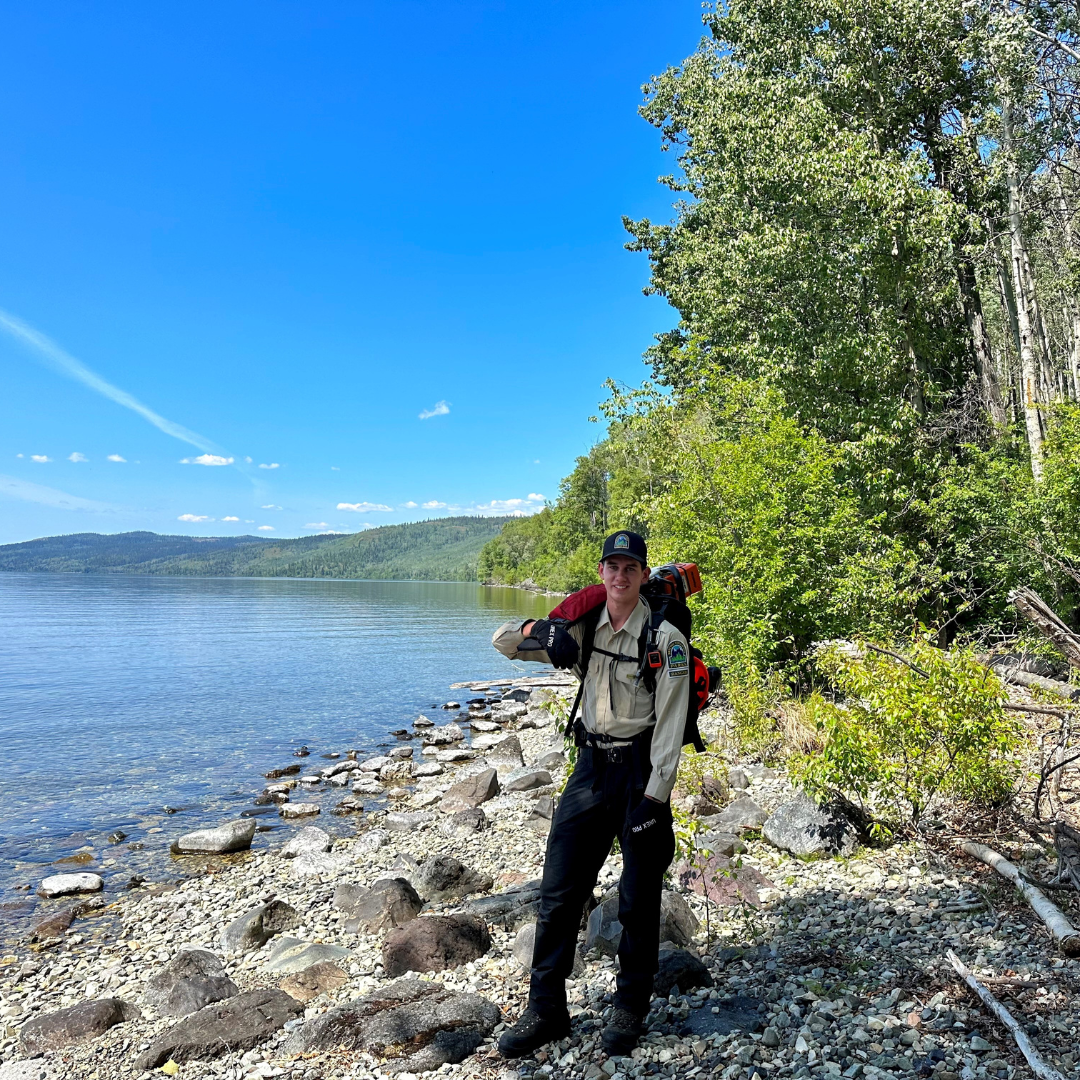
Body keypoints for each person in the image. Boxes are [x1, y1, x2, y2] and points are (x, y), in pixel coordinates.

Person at [491, 530, 690, 1058]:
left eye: (629, 568)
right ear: (600, 573)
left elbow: (670, 725)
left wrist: (656, 799)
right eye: (611, 568)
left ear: (644, 576)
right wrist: (547, 627)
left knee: (638, 898)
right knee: (558, 892)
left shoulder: (664, 639)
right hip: (590, 769)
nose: (620, 577)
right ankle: (546, 1011)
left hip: (640, 771)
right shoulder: (583, 628)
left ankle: (630, 1006)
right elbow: (502, 641)